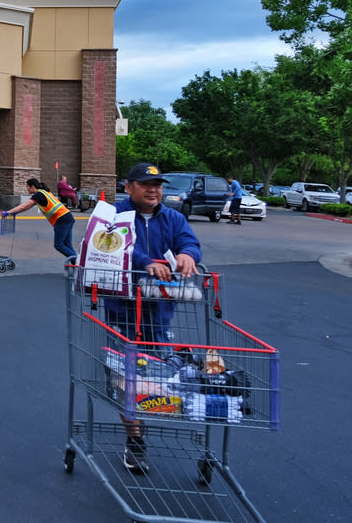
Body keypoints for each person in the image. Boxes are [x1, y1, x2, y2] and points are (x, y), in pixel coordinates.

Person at [109, 162, 202, 475]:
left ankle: (140, 422)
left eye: (158, 185)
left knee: (154, 379)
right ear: (129, 186)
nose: (154, 190)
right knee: (126, 379)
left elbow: (189, 242)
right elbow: (111, 245)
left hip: (159, 314)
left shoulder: (173, 217)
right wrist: (145, 262)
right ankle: (134, 440)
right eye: (146, 184)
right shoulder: (115, 215)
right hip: (122, 311)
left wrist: (189, 254)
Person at [6, 177, 77, 262]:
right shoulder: (44, 192)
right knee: (67, 244)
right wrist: (15, 212)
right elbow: (27, 207)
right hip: (67, 217)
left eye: (27, 187)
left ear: (32, 187)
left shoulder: (39, 194)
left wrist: (9, 212)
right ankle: (76, 265)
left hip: (61, 219)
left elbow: (26, 205)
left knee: (59, 245)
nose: (27, 189)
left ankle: (78, 261)